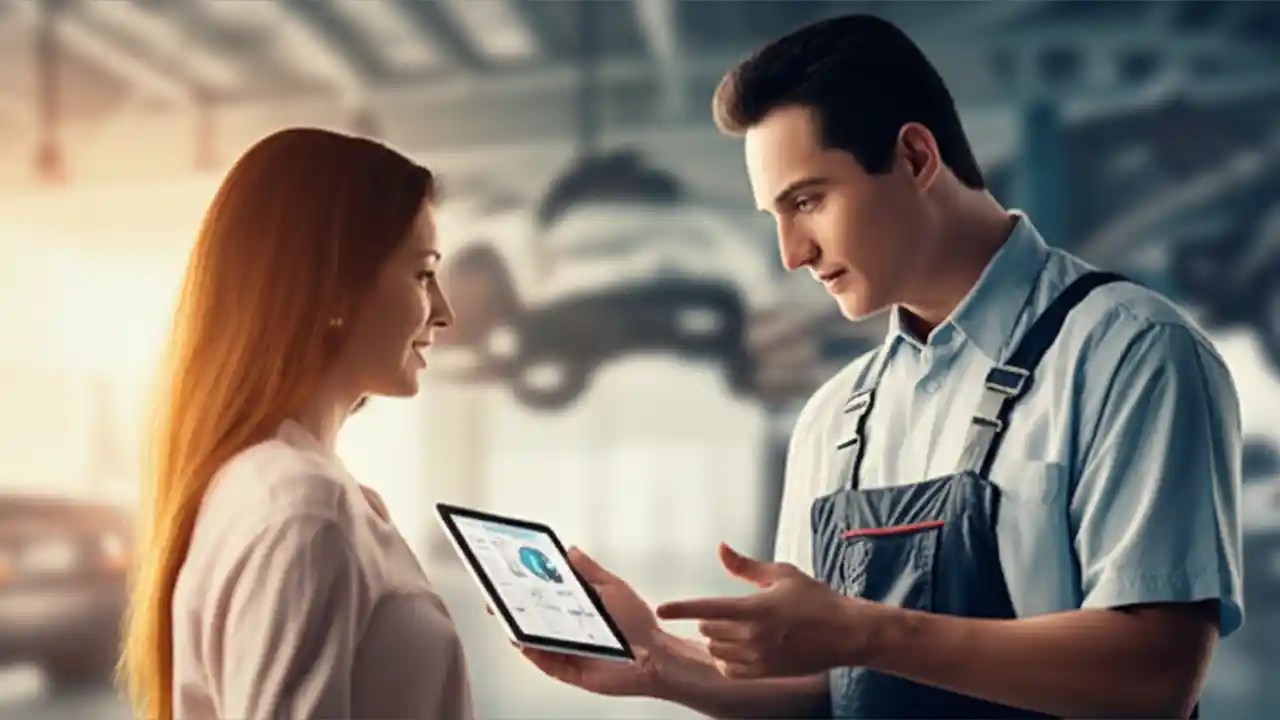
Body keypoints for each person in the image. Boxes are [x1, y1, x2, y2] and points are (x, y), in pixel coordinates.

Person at [518, 14, 1243, 718]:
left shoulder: (1130, 353)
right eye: (775, 216)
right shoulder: (833, 416)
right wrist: (657, 660)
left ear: (917, 158)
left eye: (808, 200)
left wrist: (867, 630)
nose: (790, 254)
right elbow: (823, 693)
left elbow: (1155, 675)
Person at [119, 128, 471, 720]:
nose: (444, 312)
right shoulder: (307, 509)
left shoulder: (279, 487)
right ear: (335, 284)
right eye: (422, 273)